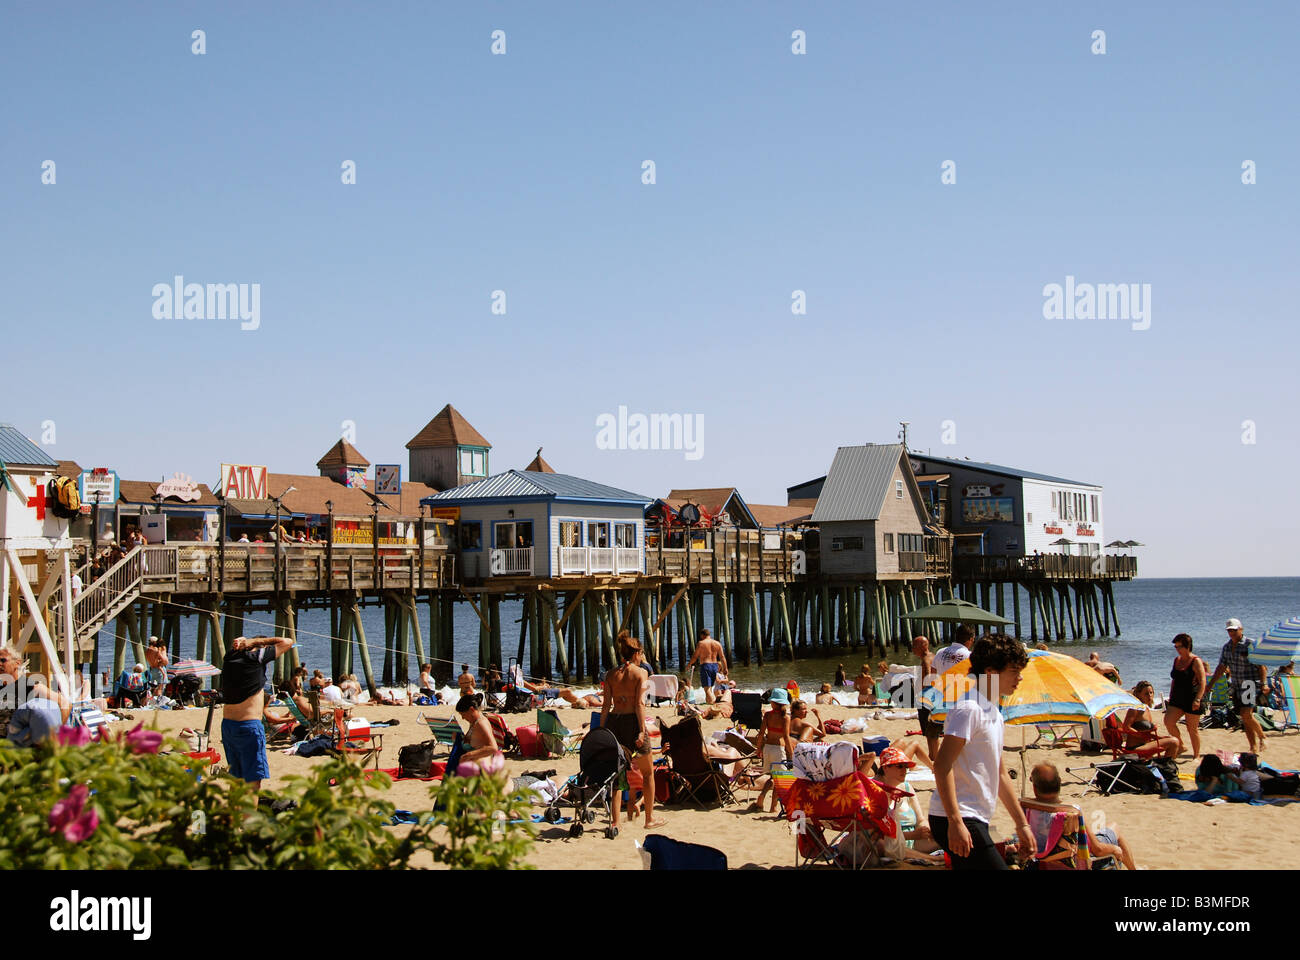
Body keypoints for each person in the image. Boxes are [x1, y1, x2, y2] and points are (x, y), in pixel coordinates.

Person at [929, 634, 1036, 870]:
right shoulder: (968, 709)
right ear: (990, 672)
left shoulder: (995, 714)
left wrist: (1022, 824)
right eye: (1013, 671)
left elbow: (1000, 775)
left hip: (975, 816)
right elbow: (942, 765)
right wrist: (955, 821)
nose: (1019, 678)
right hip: (956, 815)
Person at [601, 634, 666, 831]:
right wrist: (641, 731)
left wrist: (601, 731)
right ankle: (649, 819)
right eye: (641, 653)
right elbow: (639, 704)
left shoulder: (611, 674)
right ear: (637, 653)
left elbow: (605, 707)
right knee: (648, 774)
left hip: (614, 722)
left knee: (617, 774)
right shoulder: (640, 674)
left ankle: (615, 822)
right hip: (632, 722)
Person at [220, 634, 295, 790]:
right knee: (253, 782)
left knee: (236, 778)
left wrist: (242, 641)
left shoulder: (229, 658)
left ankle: (235, 813)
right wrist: (253, 642)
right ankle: (248, 815)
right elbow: (287, 642)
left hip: (228, 726)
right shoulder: (255, 657)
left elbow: (236, 646)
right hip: (248, 726)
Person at [1028, 763, 1136, 870]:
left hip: (1045, 863)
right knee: (1114, 828)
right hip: (1077, 864)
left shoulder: (1028, 808)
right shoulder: (1071, 811)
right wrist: (1115, 849)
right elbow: (1098, 850)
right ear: (1059, 783)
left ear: (1034, 788)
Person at [1206, 618, 1268, 755]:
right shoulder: (1227, 647)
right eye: (1229, 630)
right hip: (1236, 685)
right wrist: (1210, 684)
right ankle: (1253, 746)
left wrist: (1264, 684)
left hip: (1249, 684)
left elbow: (1262, 666)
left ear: (1241, 629)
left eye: (1234, 630)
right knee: (1244, 717)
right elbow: (1221, 667)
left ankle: (1262, 737)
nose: (1232, 633)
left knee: (1246, 714)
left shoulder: (1250, 644)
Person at [874, 747, 941, 858]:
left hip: (915, 840)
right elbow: (879, 835)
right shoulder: (875, 791)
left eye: (906, 767)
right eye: (900, 766)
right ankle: (933, 859)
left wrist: (926, 830)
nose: (904, 770)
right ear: (885, 768)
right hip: (892, 843)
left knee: (946, 837)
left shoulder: (906, 787)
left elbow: (920, 819)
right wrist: (913, 835)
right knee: (882, 845)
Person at [751, 689, 795, 813]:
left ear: (773, 703)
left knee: (770, 777)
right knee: (779, 780)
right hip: (778, 749)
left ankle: (762, 796)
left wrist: (758, 749)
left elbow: (760, 734)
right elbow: (786, 737)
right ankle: (773, 807)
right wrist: (791, 754)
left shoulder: (768, 715)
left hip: (767, 748)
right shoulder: (785, 717)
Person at [1165, 633, 1205, 759]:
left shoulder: (1195, 661)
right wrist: (1170, 695)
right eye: (1175, 647)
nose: (1177, 649)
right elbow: (1174, 679)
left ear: (1187, 646)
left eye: (1179, 646)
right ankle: (1181, 745)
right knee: (1168, 721)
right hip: (1177, 697)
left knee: (1192, 729)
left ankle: (1196, 755)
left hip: (1192, 697)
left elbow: (1203, 681)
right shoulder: (1176, 660)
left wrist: (1198, 699)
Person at [1121, 681, 1180, 759]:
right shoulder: (1135, 708)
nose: (1149, 696)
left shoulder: (1145, 708)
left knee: (1171, 739)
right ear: (1138, 694)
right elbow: (1126, 727)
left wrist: (1158, 737)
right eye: (1146, 694)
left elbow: (1146, 734)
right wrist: (1141, 736)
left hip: (1145, 744)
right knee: (1174, 742)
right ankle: (1167, 766)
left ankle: (1166, 764)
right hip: (1135, 747)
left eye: (1151, 693)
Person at [455, 694, 505, 775]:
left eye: (463, 714)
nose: (463, 718)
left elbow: (493, 747)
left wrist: (469, 755)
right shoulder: (473, 721)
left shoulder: (481, 723)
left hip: (481, 768)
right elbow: (475, 740)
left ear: (471, 710)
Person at [686, 629, 727, 702]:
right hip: (715, 665)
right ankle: (709, 703)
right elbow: (722, 657)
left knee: (707, 689)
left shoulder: (701, 643)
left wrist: (689, 664)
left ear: (702, 635)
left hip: (705, 665)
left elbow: (695, 656)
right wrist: (725, 668)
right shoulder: (717, 643)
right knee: (710, 687)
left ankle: (714, 703)